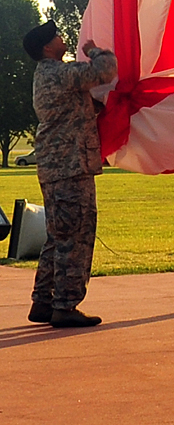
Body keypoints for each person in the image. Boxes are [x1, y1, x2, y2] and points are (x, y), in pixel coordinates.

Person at [24, 22, 117, 328]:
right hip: (70, 167)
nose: (61, 39)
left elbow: (79, 110)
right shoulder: (60, 74)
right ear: (47, 48)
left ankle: (43, 300)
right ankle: (65, 305)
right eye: (56, 37)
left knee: (58, 234)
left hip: (57, 167)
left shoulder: (48, 77)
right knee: (74, 237)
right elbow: (106, 70)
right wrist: (94, 50)